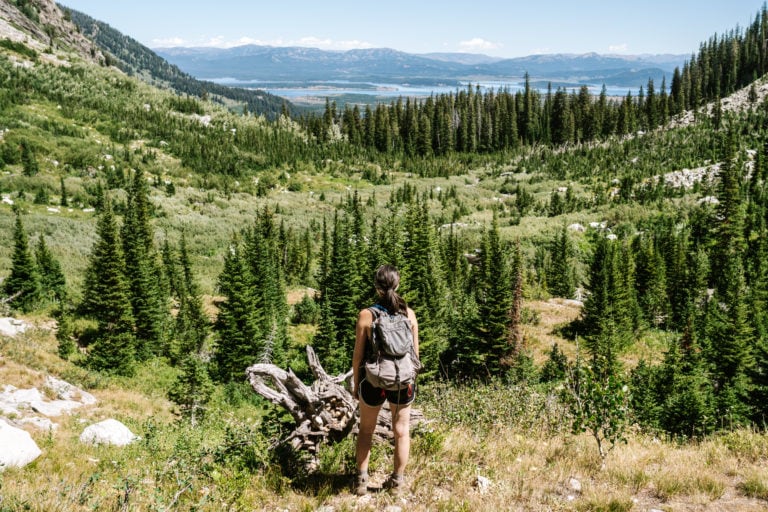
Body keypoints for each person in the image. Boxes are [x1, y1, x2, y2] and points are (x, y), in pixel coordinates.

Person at [352, 264, 419, 496]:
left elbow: (358, 357)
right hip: (402, 380)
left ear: (376, 287)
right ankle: (397, 483)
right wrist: (411, 381)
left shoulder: (366, 315)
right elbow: (415, 355)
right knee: (401, 430)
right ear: (397, 284)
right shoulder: (408, 314)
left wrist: (355, 385)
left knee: (366, 430)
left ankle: (361, 481)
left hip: (374, 380)